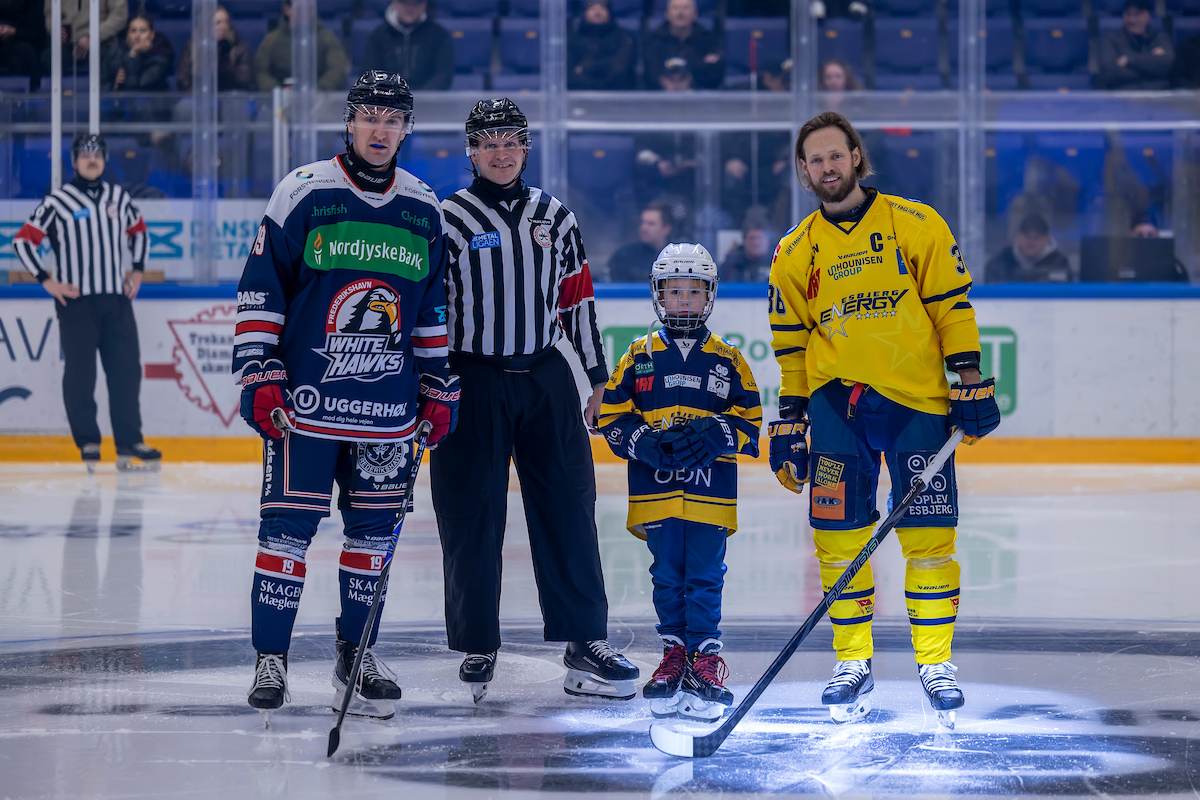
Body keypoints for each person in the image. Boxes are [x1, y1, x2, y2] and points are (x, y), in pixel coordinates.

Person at [234, 71, 459, 723]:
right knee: (286, 533)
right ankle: (270, 658)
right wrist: (259, 369)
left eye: (394, 120)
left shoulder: (423, 208)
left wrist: (435, 381)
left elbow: (432, 305)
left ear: (407, 129)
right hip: (302, 406)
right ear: (350, 123)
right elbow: (262, 287)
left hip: (385, 415)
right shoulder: (304, 192)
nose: (381, 130)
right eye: (370, 117)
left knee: (372, 538)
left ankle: (355, 653)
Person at [766, 111, 1000, 728]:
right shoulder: (793, 251)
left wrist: (969, 381)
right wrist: (789, 422)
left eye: (835, 155)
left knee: (928, 537)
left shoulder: (915, 223)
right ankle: (852, 661)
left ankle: (935, 663)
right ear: (804, 170)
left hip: (917, 403)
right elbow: (790, 345)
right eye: (814, 160)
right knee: (839, 537)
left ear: (857, 156)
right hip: (836, 406)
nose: (826, 167)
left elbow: (952, 306)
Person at [433, 98, 639, 703]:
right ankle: (477, 642)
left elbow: (578, 303)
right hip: (471, 376)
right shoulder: (446, 219)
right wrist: (429, 381)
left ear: (526, 147)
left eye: (511, 140)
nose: (501, 151)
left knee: (570, 505)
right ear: (471, 150)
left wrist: (597, 379)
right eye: (488, 141)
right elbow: (432, 310)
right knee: (471, 511)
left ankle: (584, 640)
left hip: (546, 375)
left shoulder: (557, 216)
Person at [599, 243, 761, 722]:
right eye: (675, 292)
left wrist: (720, 431)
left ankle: (705, 659)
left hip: (711, 490)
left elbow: (751, 421)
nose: (684, 301)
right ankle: (674, 654)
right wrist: (640, 440)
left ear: (709, 296)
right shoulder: (638, 355)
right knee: (667, 575)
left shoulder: (728, 358)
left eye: (694, 292)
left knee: (706, 576)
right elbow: (611, 416)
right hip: (657, 489)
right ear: (659, 296)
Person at [12, 133, 160, 473]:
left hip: (116, 299)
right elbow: (23, 241)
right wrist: (46, 280)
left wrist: (137, 271)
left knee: (126, 372)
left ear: (104, 160)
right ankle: (88, 441)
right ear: (75, 160)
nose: (91, 160)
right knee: (80, 373)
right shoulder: (58, 201)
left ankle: (129, 441)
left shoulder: (117, 197)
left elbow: (139, 231)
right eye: (85, 154)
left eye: (97, 154)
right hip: (76, 302)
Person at [255, 0, 349, 92]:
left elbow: (337, 69)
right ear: (287, 9)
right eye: (300, 9)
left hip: (321, 98)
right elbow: (261, 71)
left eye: (310, 9)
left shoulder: (328, 38)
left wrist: (318, 90)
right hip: (279, 99)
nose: (306, 12)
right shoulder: (271, 40)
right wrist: (278, 91)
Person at [361, 0, 453, 92]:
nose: (409, 8)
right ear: (394, 3)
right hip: (386, 101)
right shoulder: (378, 36)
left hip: (429, 101)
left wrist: (420, 98)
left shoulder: (439, 35)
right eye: (404, 2)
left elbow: (443, 75)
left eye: (415, 3)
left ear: (424, 5)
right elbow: (369, 74)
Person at [643, 0, 723, 90]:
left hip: (698, 96)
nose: (680, 13)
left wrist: (686, 81)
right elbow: (651, 75)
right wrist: (696, 67)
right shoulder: (655, 41)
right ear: (667, 14)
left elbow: (713, 74)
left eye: (685, 8)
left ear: (695, 14)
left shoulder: (707, 40)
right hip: (661, 97)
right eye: (675, 8)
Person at [1097, 0, 1173, 91]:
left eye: (1137, 14)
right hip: (1123, 96)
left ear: (1147, 16)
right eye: (1128, 14)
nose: (1132, 20)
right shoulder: (1110, 40)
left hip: (1157, 96)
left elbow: (1169, 66)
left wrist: (1129, 60)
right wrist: (1151, 64)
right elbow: (1109, 72)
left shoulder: (1161, 38)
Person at [176, 5, 254, 92]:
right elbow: (182, 78)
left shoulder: (241, 49)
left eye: (226, 22)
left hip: (230, 96)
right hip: (198, 97)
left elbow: (244, 80)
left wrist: (225, 56)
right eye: (217, 23)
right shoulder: (192, 47)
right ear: (206, 26)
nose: (223, 27)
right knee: (183, 105)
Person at [42, 0, 127, 77]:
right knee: (47, 60)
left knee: (109, 62)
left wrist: (92, 37)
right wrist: (55, 28)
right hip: (67, 41)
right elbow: (50, 13)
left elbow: (119, 15)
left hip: (102, 41)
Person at [568, 0, 635, 91]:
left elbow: (619, 70)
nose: (597, 12)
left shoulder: (625, 37)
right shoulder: (573, 39)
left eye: (602, 8)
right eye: (593, 8)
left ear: (609, 12)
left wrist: (587, 67)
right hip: (581, 95)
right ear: (585, 12)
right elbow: (570, 75)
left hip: (616, 95)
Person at [985, 213, 1070, 283]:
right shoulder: (1000, 262)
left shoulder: (1059, 263)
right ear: (1018, 235)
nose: (1031, 241)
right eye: (1027, 236)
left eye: (1036, 237)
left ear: (1047, 238)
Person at [102, 14, 173, 92]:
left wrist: (133, 55)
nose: (137, 35)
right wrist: (115, 86)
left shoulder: (161, 56)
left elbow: (139, 87)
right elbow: (102, 87)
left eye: (142, 31)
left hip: (152, 103)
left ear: (152, 35)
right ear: (128, 35)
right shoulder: (115, 54)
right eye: (133, 31)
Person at [607, 201, 674, 283]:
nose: (644, 228)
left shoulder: (678, 258)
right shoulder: (623, 257)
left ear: (666, 229)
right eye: (643, 222)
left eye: (651, 224)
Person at [0, 0, 45, 91]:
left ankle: (24, 99)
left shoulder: (33, 3)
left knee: (24, 52)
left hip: (23, 43)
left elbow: (37, 32)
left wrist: (15, 32)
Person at [719, 210, 774, 282]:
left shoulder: (777, 265)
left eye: (759, 238)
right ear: (744, 240)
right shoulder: (729, 267)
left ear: (767, 241)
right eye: (752, 238)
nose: (756, 243)